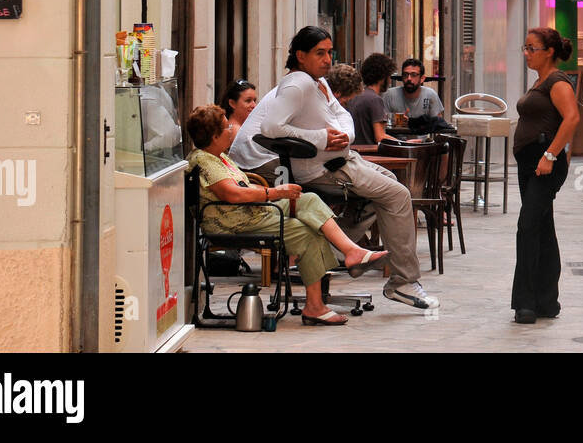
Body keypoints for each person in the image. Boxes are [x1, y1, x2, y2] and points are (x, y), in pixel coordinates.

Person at [244, 26, 440, 310]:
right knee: (397, 195)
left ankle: (340, 253)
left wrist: (345, 137)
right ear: (300, 55)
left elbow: (342, 115)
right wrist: (322, 138)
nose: (327, 60)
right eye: (319, 53)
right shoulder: (296, 84)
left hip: (343, 159)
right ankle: (402, 282)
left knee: (392, 189)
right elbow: (271, 128)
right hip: (325, 169)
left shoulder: (319, 83)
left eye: (329, 53)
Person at [186, 104, 388, 325]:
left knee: (307, 199)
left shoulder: (220, 157)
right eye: (227, 128)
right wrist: (274, 192)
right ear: (215, 136)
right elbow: (232, 194)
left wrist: (275, 194)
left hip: (252, 212)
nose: (232, 130)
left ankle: (351, 251)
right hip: (236, 221)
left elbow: (243, 186)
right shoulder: (205, 160)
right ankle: (315, 306)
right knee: (305, 231)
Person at [512, 27, 580, 324]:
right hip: (531, 163)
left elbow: (572, 118)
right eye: (525, 48)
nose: (526, 54)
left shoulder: (556, 81)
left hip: (544, 163)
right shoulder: (540, 81)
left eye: (531, 48)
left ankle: (525, 303)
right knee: (541, 227)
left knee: (527, 227)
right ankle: (547, 302)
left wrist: (550, 156)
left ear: (548, 51)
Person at [344, 53, 396, 145]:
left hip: (354, 151)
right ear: (383, 78)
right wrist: (404, 143)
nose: (390, 81)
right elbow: (380, 137)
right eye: (389, 77)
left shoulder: (354, 95)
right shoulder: (375, 99)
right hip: (370, 153)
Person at [383, 58, 445, 123]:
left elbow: (438, 123)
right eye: (405, 75)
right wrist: (395, 119)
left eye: (414, 75)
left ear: (422, 78)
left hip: (422, 133)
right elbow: (382, 123)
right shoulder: (390, 95)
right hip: (394, 133)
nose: (409, 78)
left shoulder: (430, 94)